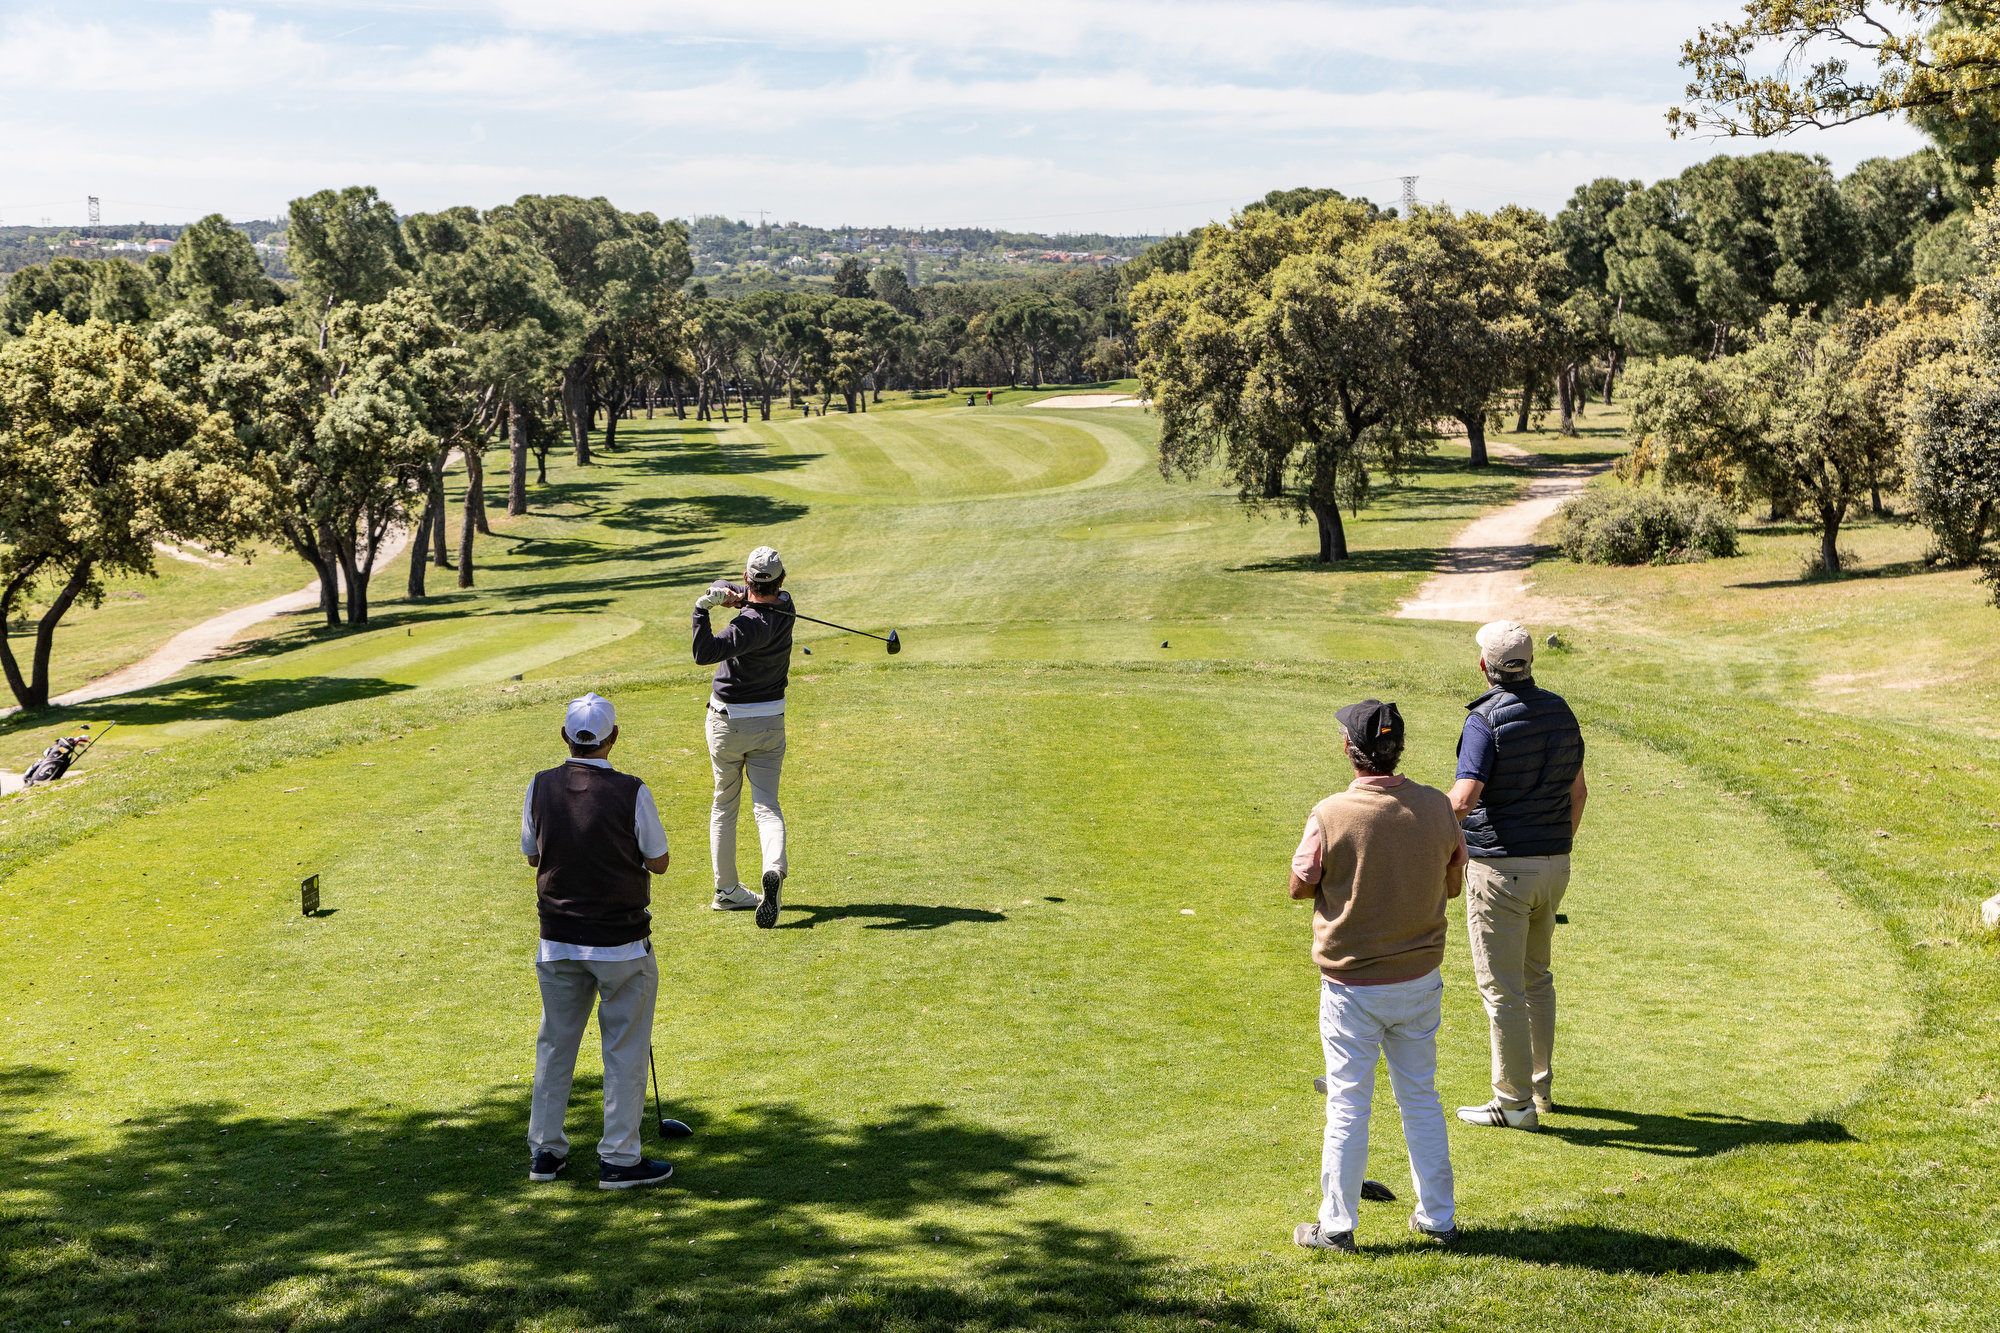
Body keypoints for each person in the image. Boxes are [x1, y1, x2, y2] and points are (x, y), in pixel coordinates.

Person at [1289, 700, 1464, 1253]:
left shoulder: (1330, 812)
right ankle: (1438, 1219)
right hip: (1418, 980)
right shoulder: (1438, 807)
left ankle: (1337, 1227)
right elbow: (1453, 882)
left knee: (1347, 1103)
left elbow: (1300, 884)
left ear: (1350, 749)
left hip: (1351, 988)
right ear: (1399, 749)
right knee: (1420, 1098)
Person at [522, 692, 676, 1190]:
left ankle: (545, 1153)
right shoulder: (632, 790)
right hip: (621, 944)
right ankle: (619, 1159)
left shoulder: (539, 785)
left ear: (566, 736)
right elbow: (659, 860)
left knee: (555, 1045)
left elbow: (532, 855)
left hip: (559, 940)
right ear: (612, 738)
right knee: (625, 1049)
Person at [1449, 621, 1587, 1132]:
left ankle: (1512, 1103)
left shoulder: (1483, 721)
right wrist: (1555, 846)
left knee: (1503, 989)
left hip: (1501, 870)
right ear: (1528, 663)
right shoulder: (1560, 710)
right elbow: (1579, 794)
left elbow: (1463, 800)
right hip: (1554, 865)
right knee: (1537, 977)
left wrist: (1426, 827)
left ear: (1484, 666)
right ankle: (1539, 1089)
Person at [692, 546, 794, 929]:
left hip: (727, 723)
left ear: (749, 579)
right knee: (766, 805)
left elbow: (705, 652)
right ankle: (774, 868)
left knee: (725, 805)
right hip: (770, 722)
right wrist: (724, 591)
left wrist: (702, 608)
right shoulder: (785, 604)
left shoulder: (746, 627)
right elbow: (749, 596)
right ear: (780, 580)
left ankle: (728, 890)